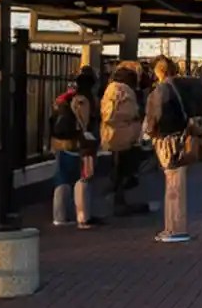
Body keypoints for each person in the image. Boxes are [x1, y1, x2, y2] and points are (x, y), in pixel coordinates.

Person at [143, 55, 191, 243]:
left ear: (159, 71)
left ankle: (175, 227)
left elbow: (154, 117)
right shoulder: (179, 88)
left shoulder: (161, 90)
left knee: (173, 185)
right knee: (176, 182)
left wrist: (150, 132)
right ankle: (172, 227)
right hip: (179, 138)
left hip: (167, 140)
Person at [50, 67, 103, 229]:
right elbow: (85, 124)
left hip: (60, 143)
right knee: (83, 178)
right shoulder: (85, 100)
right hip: (80, 145)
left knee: (62, 179)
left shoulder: (63, 99)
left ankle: (59, 217)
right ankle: (83, 217)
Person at [100, 61, 148, 217]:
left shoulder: (113, 90)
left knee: (123, 169)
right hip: (121, 138)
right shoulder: (122, 91)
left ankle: (117, 198)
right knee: (124, 169)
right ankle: (116, 199)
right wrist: (133, 117)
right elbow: (117, 114)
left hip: (117, 136)